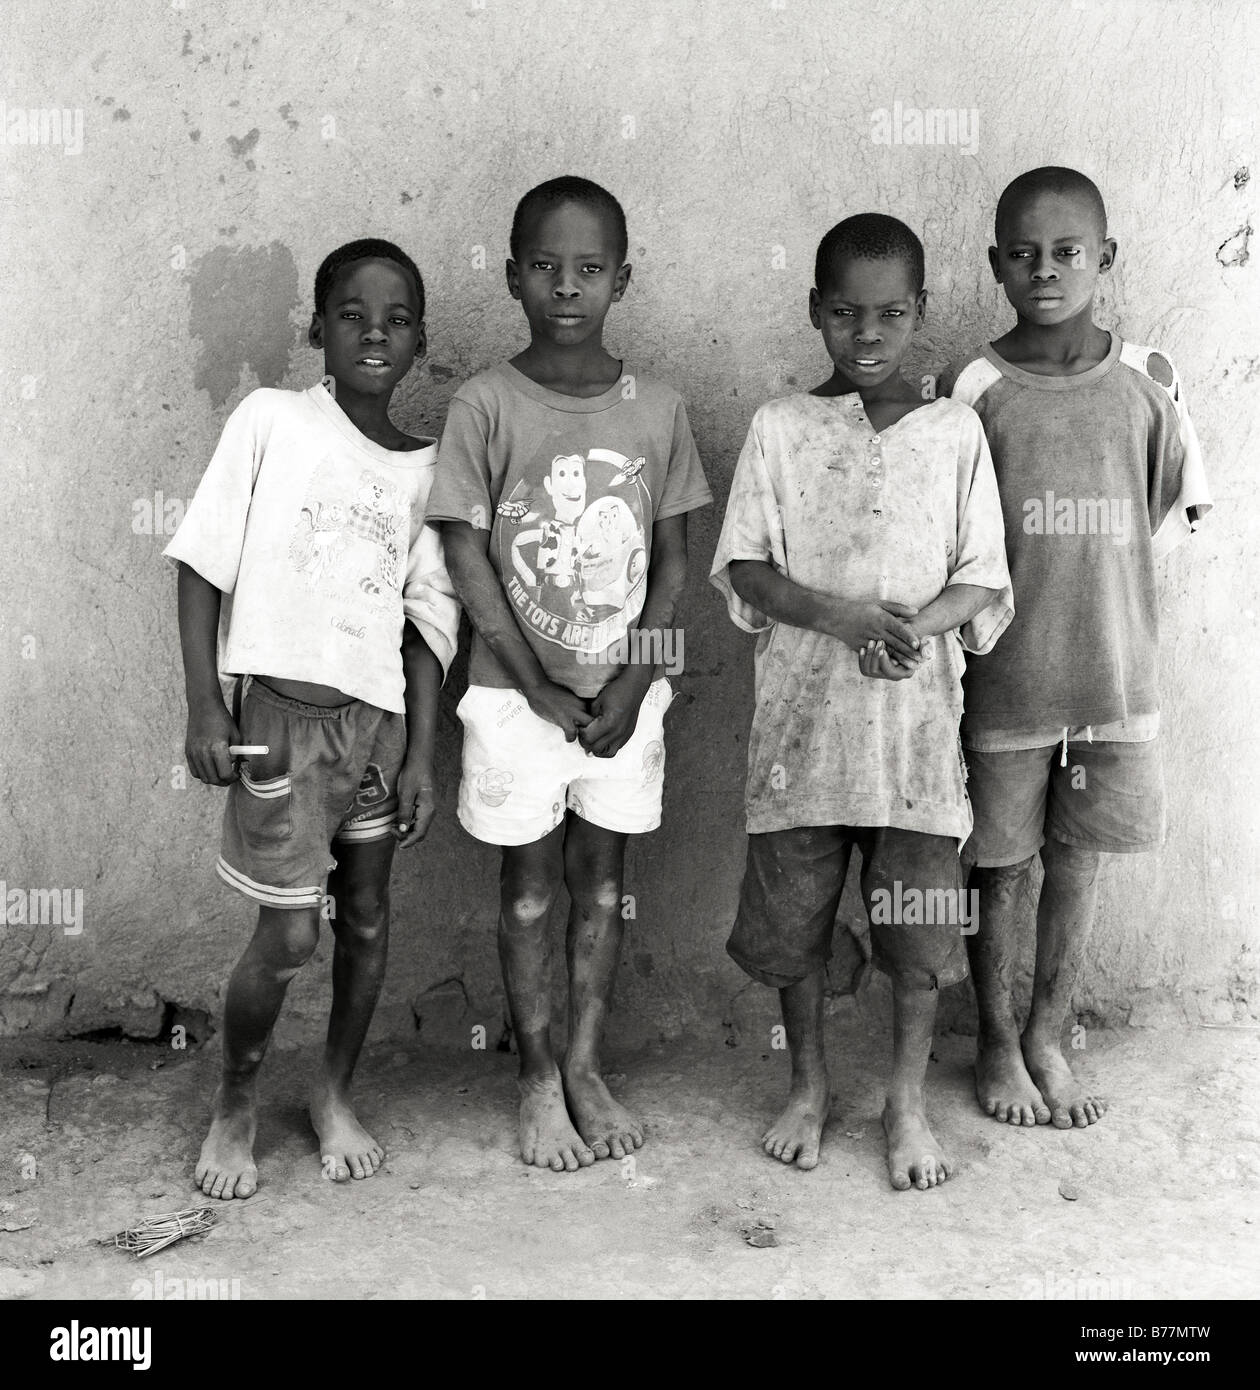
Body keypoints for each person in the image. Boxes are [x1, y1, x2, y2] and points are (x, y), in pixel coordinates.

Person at [711, 214, 1012, 1188]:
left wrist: (915, 627)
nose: (868, 333)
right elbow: (746, 572)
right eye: (845, 313)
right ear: (815, 314)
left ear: (920, 313)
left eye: (890, 313)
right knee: (796, 928)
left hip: (916, 744)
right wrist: (841, 618)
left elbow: (983, 578)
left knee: (918, 940)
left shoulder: (955, 432)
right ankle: (809, 1085)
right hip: (802, 739)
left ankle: (907, 1105)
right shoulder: (782, 429)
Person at [427, 177, 712, 1172]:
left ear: (622, 279)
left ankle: (586, 1062)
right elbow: (465, 558)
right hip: (515, 701)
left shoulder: (660, 407)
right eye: (545, 267)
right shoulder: (484, 405)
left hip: (625, 696)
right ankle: (538, 1077)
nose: (566, 287)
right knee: (531, 890)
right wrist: (537, 686)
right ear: (511, 276)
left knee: (603, 886)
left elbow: (674, 562)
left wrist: (633, 683)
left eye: (590, 269)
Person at [165, 238, 458, 1198]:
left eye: (398, 319)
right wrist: (207, 701)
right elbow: (204, 561)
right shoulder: (272, 421)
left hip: (371, 733)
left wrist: (420, 751)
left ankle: (332, 1092)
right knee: (291, 937)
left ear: (420, 339)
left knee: (367, 922)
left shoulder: (427, 471)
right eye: (352, 316)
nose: (375, 333)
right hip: (278, 727)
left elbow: (424, 628)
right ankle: (237, 1099)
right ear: (316, 331)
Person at [943, 167, 1211, 1128]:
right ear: (995, 267)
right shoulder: (971, 387)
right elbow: (955, 530)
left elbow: (1173, 513)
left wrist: (1104, 591)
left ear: (1106, 258)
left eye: (1066, 252)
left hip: (1113, 674)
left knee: (1079, 859)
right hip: (1004, 678)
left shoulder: (1151, 377)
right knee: (1000, 865)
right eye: (1023, 254)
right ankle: (998, 1041)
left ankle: (1050, 1031)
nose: (1045, 270)